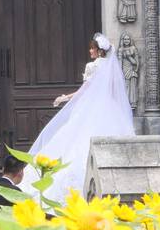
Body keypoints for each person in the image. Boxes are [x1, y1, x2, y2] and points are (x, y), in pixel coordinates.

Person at [24, 33, 135, 203]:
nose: (90, 51)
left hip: (92, 108)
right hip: (109, 109)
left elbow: (84, 91)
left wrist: (65, 98)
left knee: (75, 140)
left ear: (99, 51)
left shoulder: (93, 66)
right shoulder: (110, 67)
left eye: (92, 48)